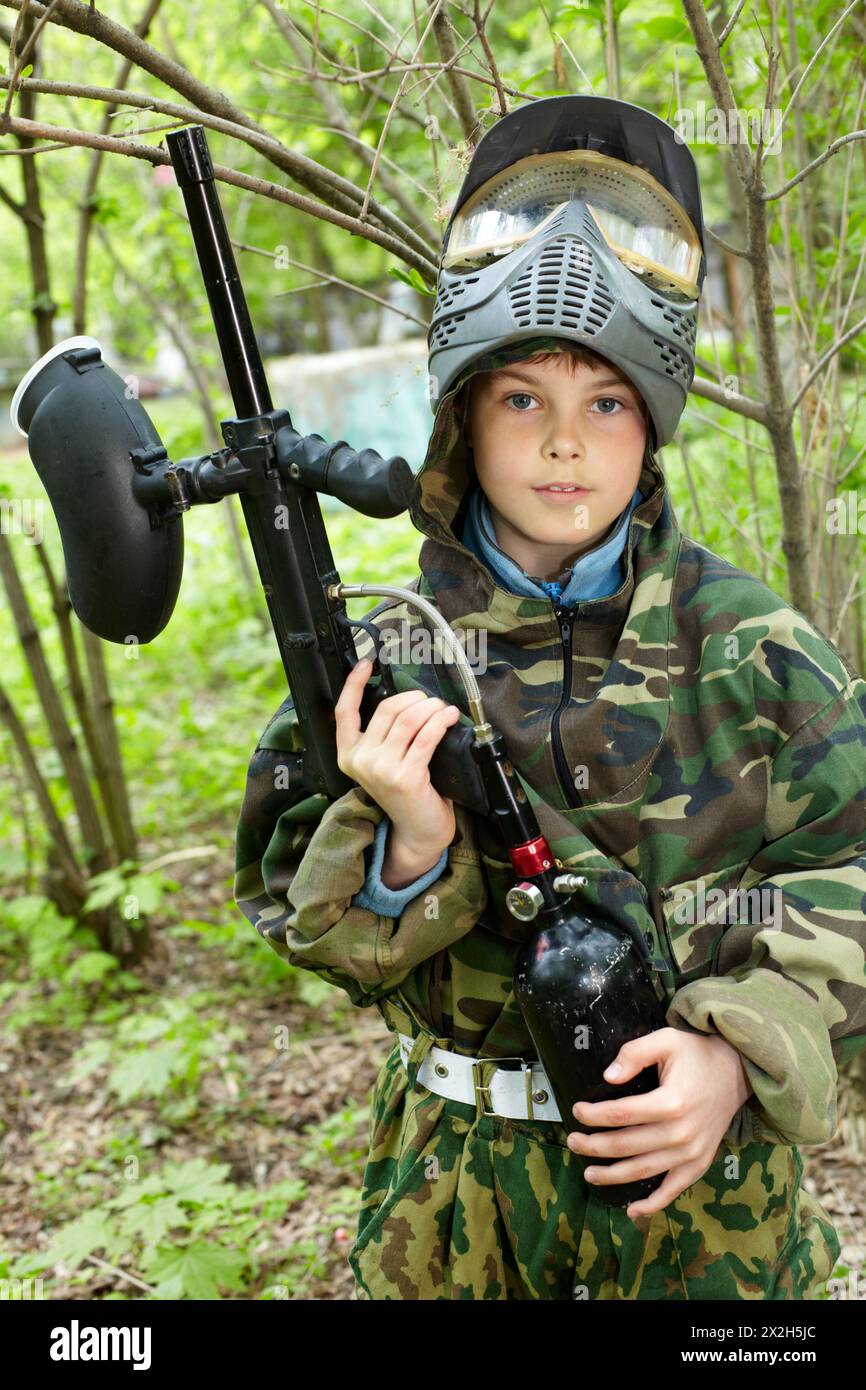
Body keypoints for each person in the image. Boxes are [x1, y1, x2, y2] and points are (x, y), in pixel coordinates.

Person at [233, 95, 866, 1300]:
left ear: (652, 427)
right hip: (454, 1205)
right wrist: (405, 846)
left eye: (605, 403)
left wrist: (741, 1053)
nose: (563, 445)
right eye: (522, 398)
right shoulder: (384, 654)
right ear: (462, 418)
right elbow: (287, 897)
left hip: (705, 1215)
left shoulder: (754, 649)